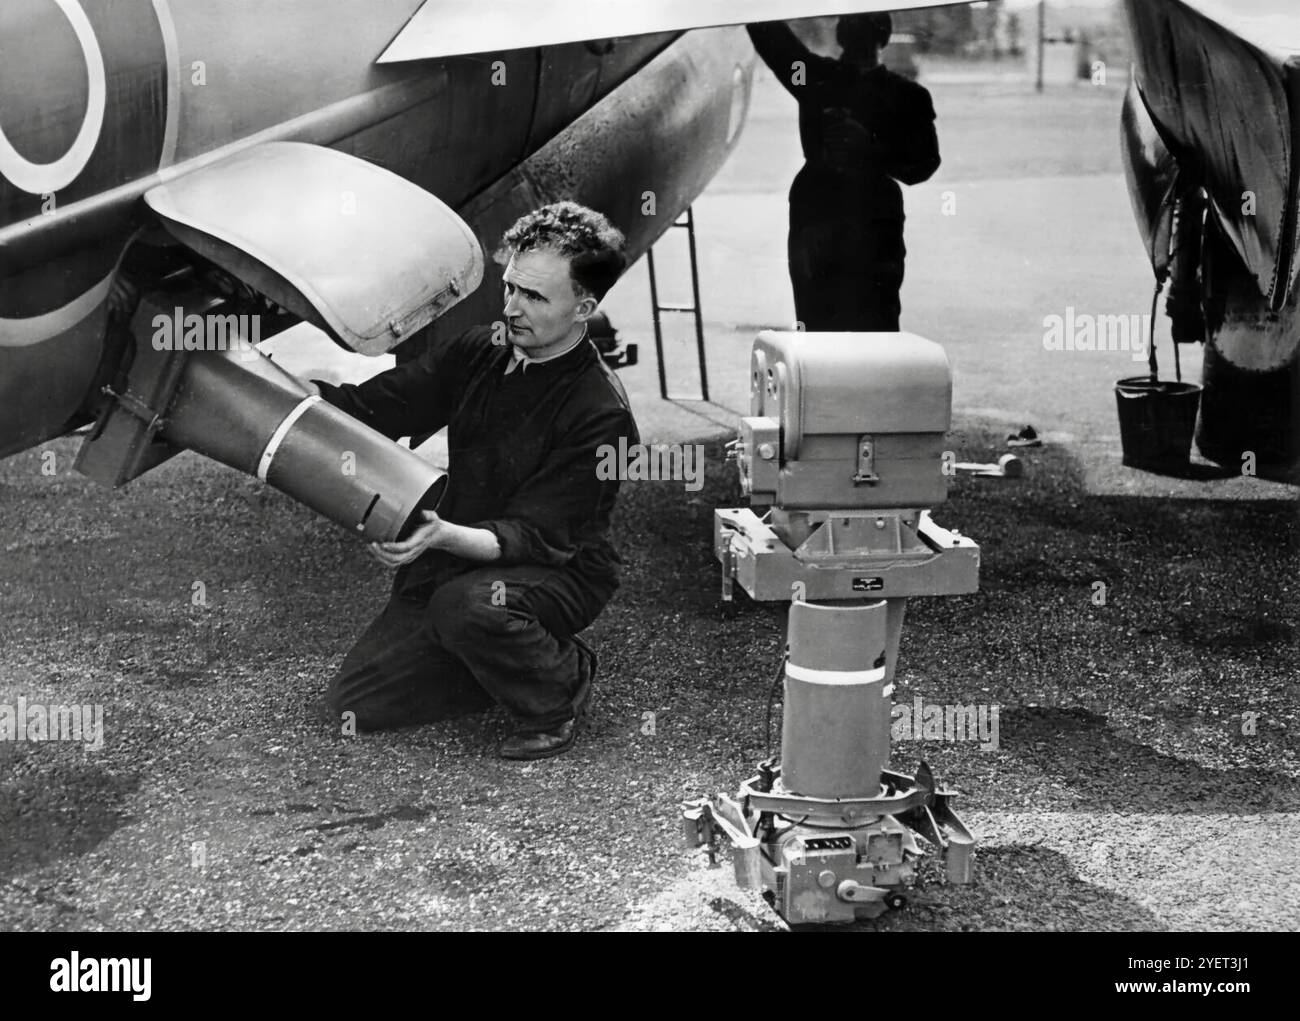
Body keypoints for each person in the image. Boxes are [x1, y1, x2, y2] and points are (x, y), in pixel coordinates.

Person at [311, 202, 639, 760]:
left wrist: (439, 536)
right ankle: (501, 659)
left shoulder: (601, 415)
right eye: (511, 287)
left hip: (556, 567)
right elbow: (382, 406)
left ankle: (559, 687)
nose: (511, 307)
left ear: (583, 307)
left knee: (469, 609)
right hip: (461, 549)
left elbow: (535, 536)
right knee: (356, 705)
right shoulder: (480, 349)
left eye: (534, 297)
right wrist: (294, 396)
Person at [747, 14, 941, 332]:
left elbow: (772, 40)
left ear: (840, 35)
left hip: (820, 214)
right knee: (874, 325)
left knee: (820, 325)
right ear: (886, 37)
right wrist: (876, 151)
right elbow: (922, 165)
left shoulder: (814, 77)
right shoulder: (908, 96)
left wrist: (867, 146)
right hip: (870, 216)